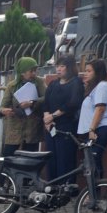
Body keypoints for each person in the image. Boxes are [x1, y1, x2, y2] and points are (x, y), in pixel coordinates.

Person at [42, 55, 83, 184]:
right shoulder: (53, 84)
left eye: (62, 66)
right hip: (51, 126)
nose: (59, 69)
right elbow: (46, 102)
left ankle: (65, 186)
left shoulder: (76, 82)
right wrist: (46, 118)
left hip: (66, 125)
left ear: (69, 67)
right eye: (57, 66)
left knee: (64, 157)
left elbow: (73, 103)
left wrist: (53, 116)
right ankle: (52, 184)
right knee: (51, 157)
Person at [77, 59, 107, 179]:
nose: (85, 73)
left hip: (102, 127)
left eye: (89, 71)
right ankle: (93, 192)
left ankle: (95, 193)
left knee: (94, 157)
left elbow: (100, 109)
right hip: (95, 128)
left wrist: (92, 129)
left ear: (97, 72)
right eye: (85, 71)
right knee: (92, 160)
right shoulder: (94, 88)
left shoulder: (102, 86)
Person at [0, 57, 46, 157]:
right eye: (31, 71)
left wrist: (32, 103)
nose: (34, 73)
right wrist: (4, 111)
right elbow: (3, 105)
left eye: (35, 70)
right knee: (8, 157)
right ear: (22, 72)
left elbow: (46, 97)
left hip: (32, 128)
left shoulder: (39, 83)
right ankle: (6, 173)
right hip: (15, 128)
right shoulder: (12, 86)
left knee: (29, 158)